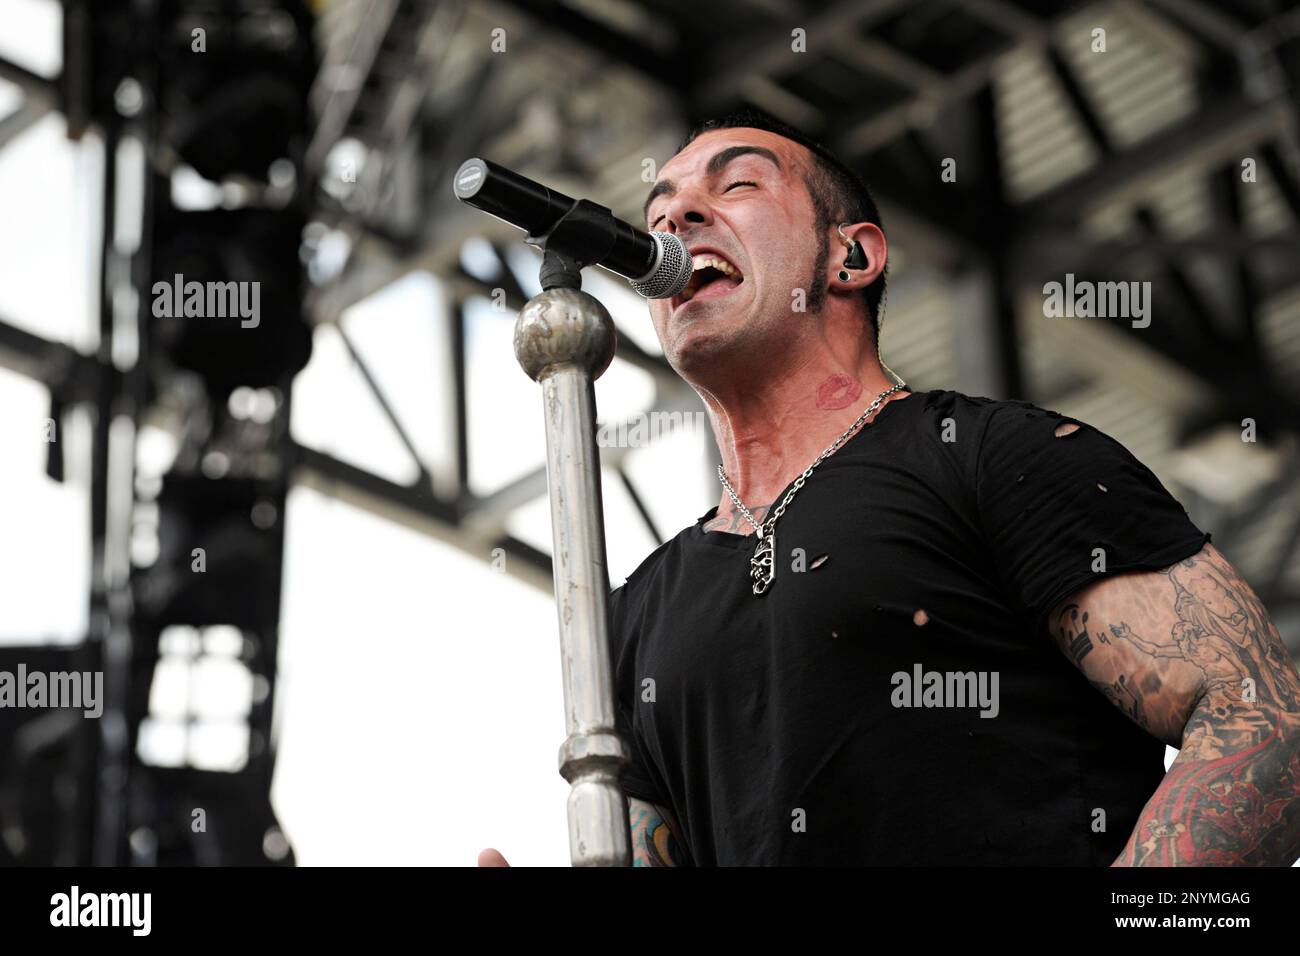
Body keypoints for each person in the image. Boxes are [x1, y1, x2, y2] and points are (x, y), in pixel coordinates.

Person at [480, 110, 1300, 867]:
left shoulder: (1000, 458)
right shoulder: (636, 615)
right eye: (660, 211)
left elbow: (1266, 727)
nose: (676, 218)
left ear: (852, 256)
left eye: (735, 185)